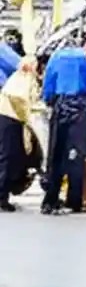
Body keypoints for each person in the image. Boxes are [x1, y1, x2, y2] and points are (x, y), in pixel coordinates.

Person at [40, 32, 86, 215]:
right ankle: (74, 201)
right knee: (76, 156)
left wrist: (49, 100)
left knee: (56, 155)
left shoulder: (56, 57)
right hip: (82, 109)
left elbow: (48, 88)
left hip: (61, 107)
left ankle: (50, 200)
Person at [0, 51, 36, 212]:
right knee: (8, 156)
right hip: (9, 116)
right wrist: (28, 120)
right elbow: (19, 99)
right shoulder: (22, 77)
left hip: (6, 114)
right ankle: (2, 197)